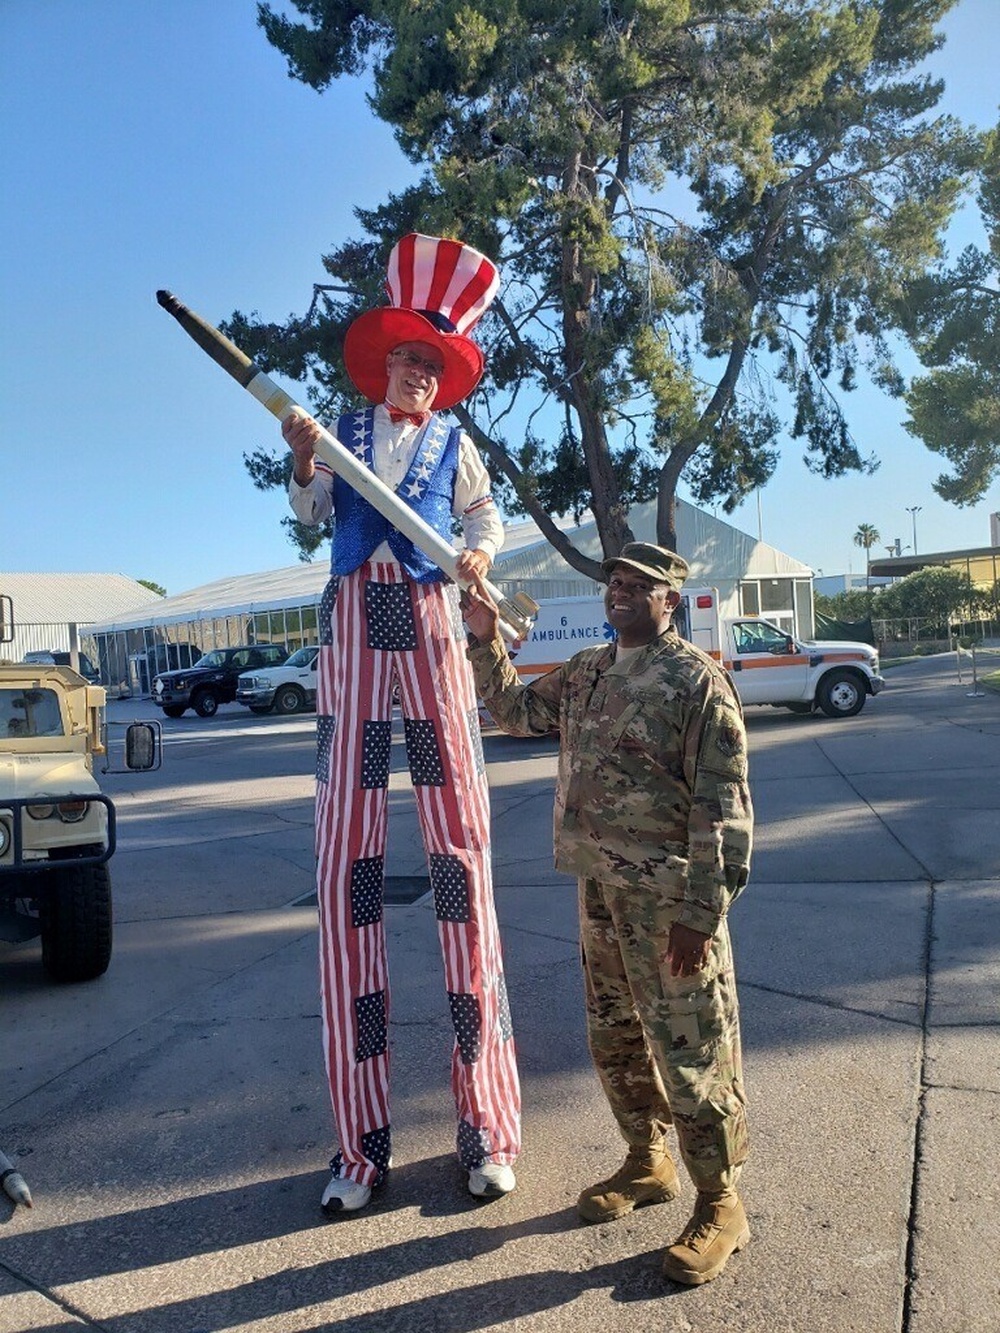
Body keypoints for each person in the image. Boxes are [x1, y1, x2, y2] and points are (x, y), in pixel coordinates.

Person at [283, 233, 520, 1215]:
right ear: (384, 363)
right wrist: (302, 463)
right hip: (350, 635)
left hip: (427, 631)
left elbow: (485, 520)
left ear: (442, 375)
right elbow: (307, 514)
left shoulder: (456, 446)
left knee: (461, 865)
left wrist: (474, 556)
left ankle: (489, 1129)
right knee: (349, 878)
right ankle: (358, 1149)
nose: (415, 374)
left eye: (430, 364)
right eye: (404, 360)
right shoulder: (338, 431)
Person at [461, 542, 753, 1285]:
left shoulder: (698, 683)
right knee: (616, 1036)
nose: (620, 593)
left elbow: (723, 809)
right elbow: (517, 711)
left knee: (692, 1049)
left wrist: (701, 910)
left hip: (670, 903)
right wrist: (484, 638)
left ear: (671, 600)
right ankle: (647, 1160)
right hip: (599, 891)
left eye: (638, 586)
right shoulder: (589, 669)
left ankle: (721, 1201)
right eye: (614, 582)